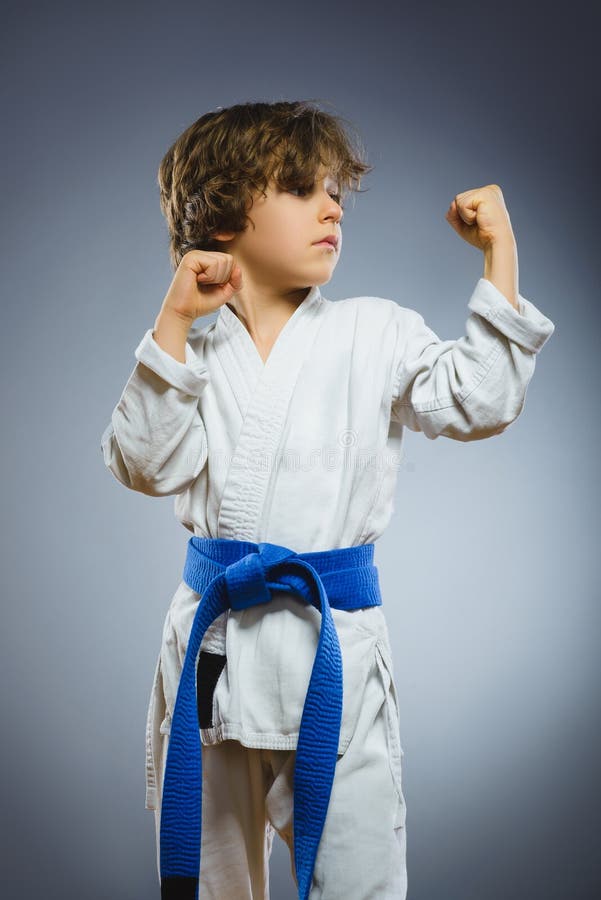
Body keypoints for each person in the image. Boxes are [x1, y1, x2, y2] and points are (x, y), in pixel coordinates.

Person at [101, 99, 555, 900]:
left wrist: (500, 253)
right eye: (301, 187)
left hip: (332, 652)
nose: (332, 206)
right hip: (217, 652)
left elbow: (477, 401)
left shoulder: (377, 332)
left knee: (358, 881)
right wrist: (173, 319)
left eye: (334, 190)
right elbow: (143, 464)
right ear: (224, 212)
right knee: (217, 883)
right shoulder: (193, 350)